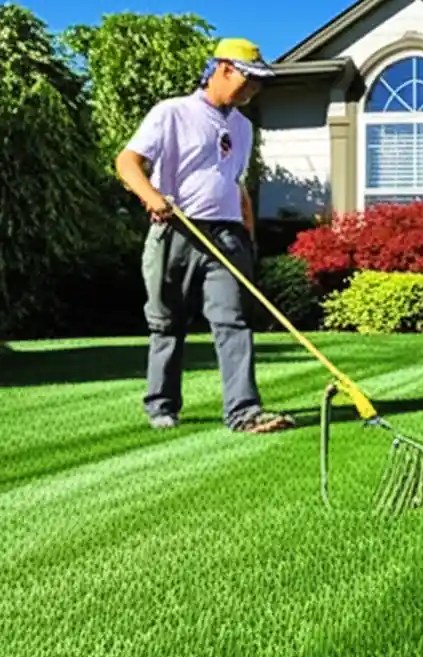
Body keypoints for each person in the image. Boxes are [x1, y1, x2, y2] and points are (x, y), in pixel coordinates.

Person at [115, 38, 295, 433]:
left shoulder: (243, 127)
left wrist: (248, 236)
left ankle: (244, 412)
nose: (254, 89)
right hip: (176, 229)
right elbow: (127, 162)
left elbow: (236, 184)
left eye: (259, 83)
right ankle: (161, 405)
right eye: (249, 80)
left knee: (233, 320)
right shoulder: (172, 112)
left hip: (227, 235)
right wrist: (152, 197)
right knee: (167, 322)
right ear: (223, 69)